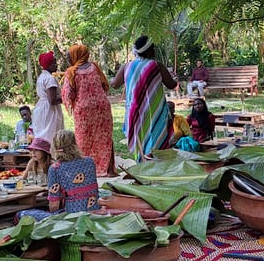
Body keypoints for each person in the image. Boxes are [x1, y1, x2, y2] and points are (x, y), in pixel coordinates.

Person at [110, 35, 178, 161]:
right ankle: (155, 164)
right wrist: (175, 78)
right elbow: (171, 85)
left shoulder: (127, 66)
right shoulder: (156, 65)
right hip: (154, 111)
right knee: (156, 137)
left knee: (139, 138)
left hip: (135, 111)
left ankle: (142, 164)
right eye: (153, 49)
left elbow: (115, 84)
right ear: (149, 50)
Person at [17, 130, 100, 222]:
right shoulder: (90, 161)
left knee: (21, 214)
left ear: (56, 146)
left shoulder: (56, 168)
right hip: (94, 211)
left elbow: (54, 205)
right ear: (74, 143)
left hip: (72, 217)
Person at [62, 43, 116, 177]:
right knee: (104, 138)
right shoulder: (94, 67)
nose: (69, 59)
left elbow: (68, 94)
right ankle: (108, 170)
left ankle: (84, 171)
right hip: (102, 108)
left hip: (84, 111)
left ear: (76, 55)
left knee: (83, 140)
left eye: (70, 56)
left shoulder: (71, 72)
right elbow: (104, 84)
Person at [33, 51, 65, 143]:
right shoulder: (50, 79)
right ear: (48, 65)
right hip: (49, 111)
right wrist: (67, 96)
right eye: (54, 63)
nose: (56, 65)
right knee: (50, 136)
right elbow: (53, 100)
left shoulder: (42, 77)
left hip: (41, 108)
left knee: (42, 135)